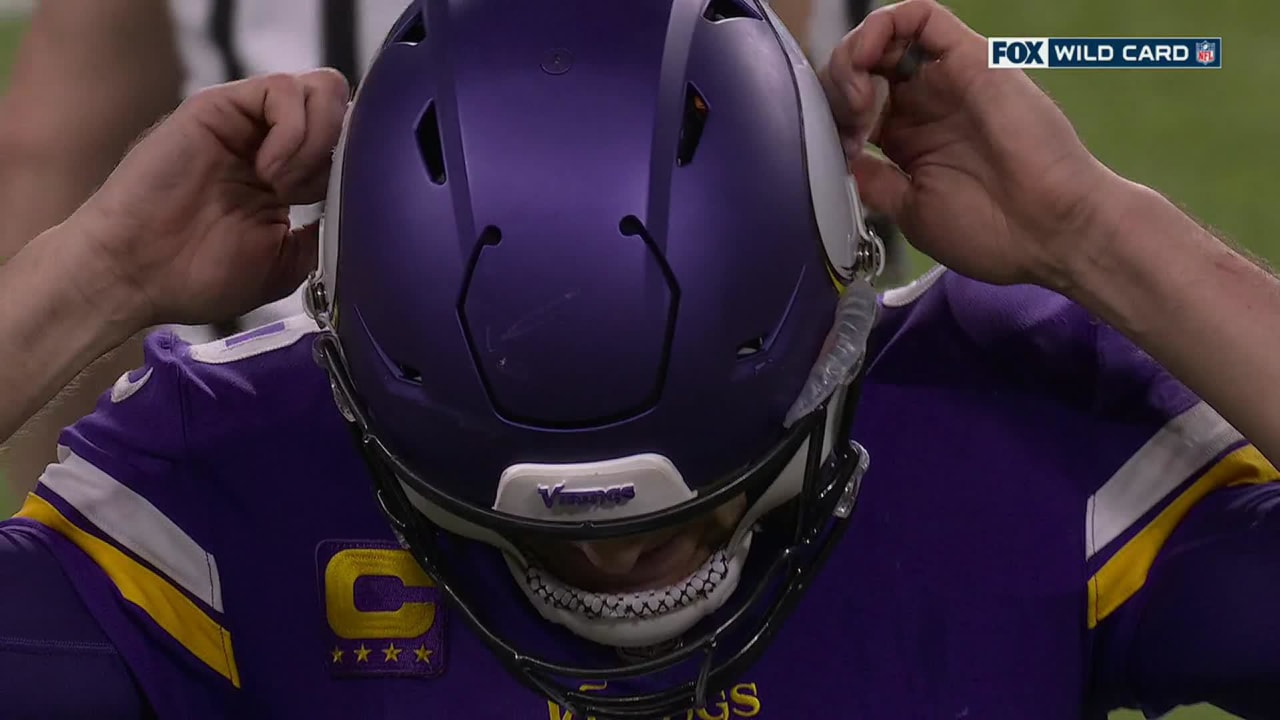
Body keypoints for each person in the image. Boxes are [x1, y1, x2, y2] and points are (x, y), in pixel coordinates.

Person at [4, 1, 1280, 718]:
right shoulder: (222, 476)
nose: (616, 557)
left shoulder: (1013, 429)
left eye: (702, 491)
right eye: (531, 526)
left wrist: (1094, 233)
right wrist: (96, 276)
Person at [0, 0, 823, 514]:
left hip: (283, 478)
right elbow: (744, 106)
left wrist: (99, 279)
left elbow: (48, 142)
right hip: (724, 478)